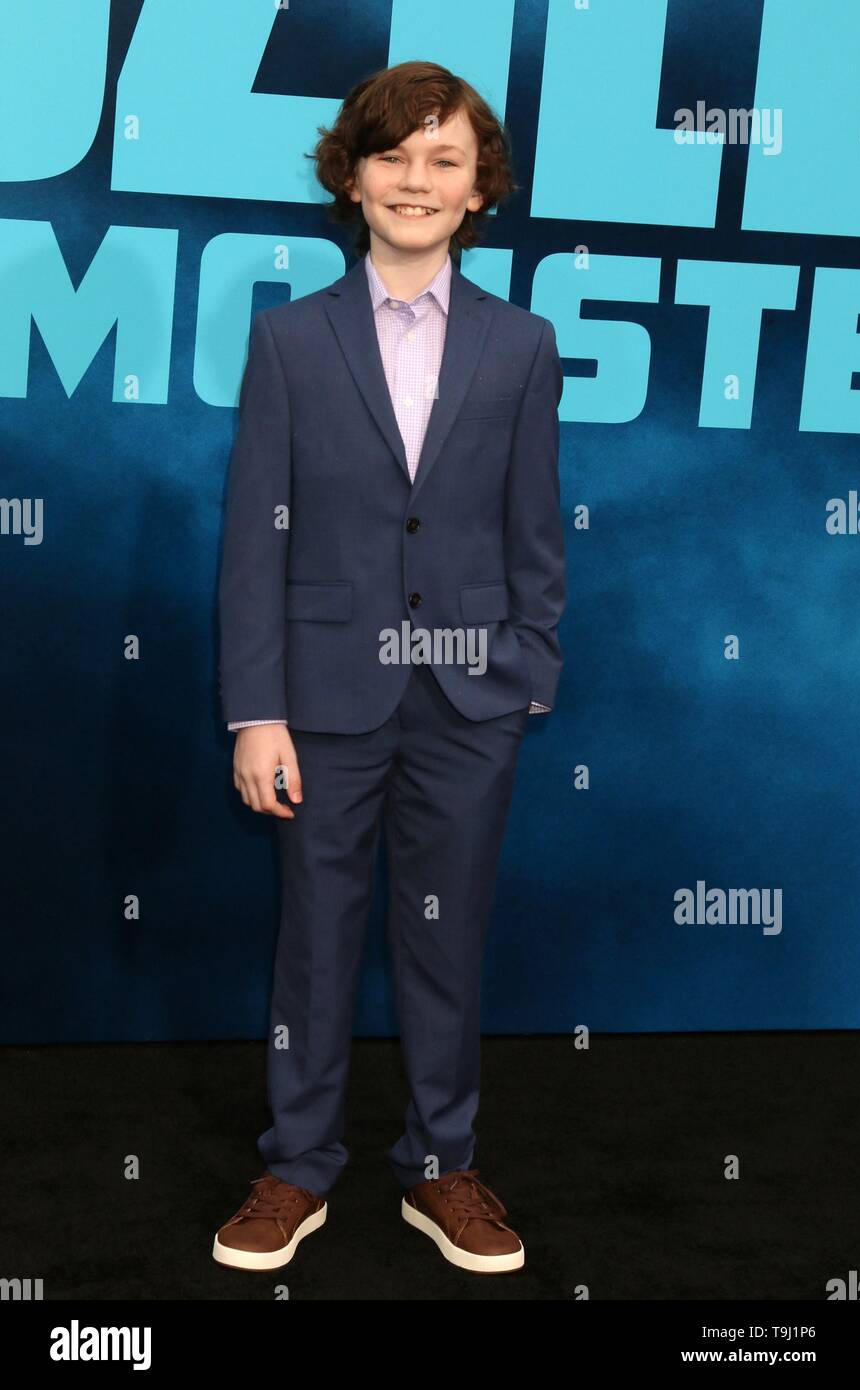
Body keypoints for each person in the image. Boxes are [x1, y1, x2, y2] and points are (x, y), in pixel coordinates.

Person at [212, 59, 565, 1276]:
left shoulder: (523, 347)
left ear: (478, 191)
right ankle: (298, 1165)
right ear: (351, 176)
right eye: (392, 155)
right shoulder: (288, 341)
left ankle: (439, 1167)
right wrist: (256, 711)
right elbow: (253, 539)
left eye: (444, 159)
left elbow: (536, 534)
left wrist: (527, 677)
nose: (415, 179)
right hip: (320, 704)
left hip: (470, 700)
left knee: (445, 938)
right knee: (312, 936)